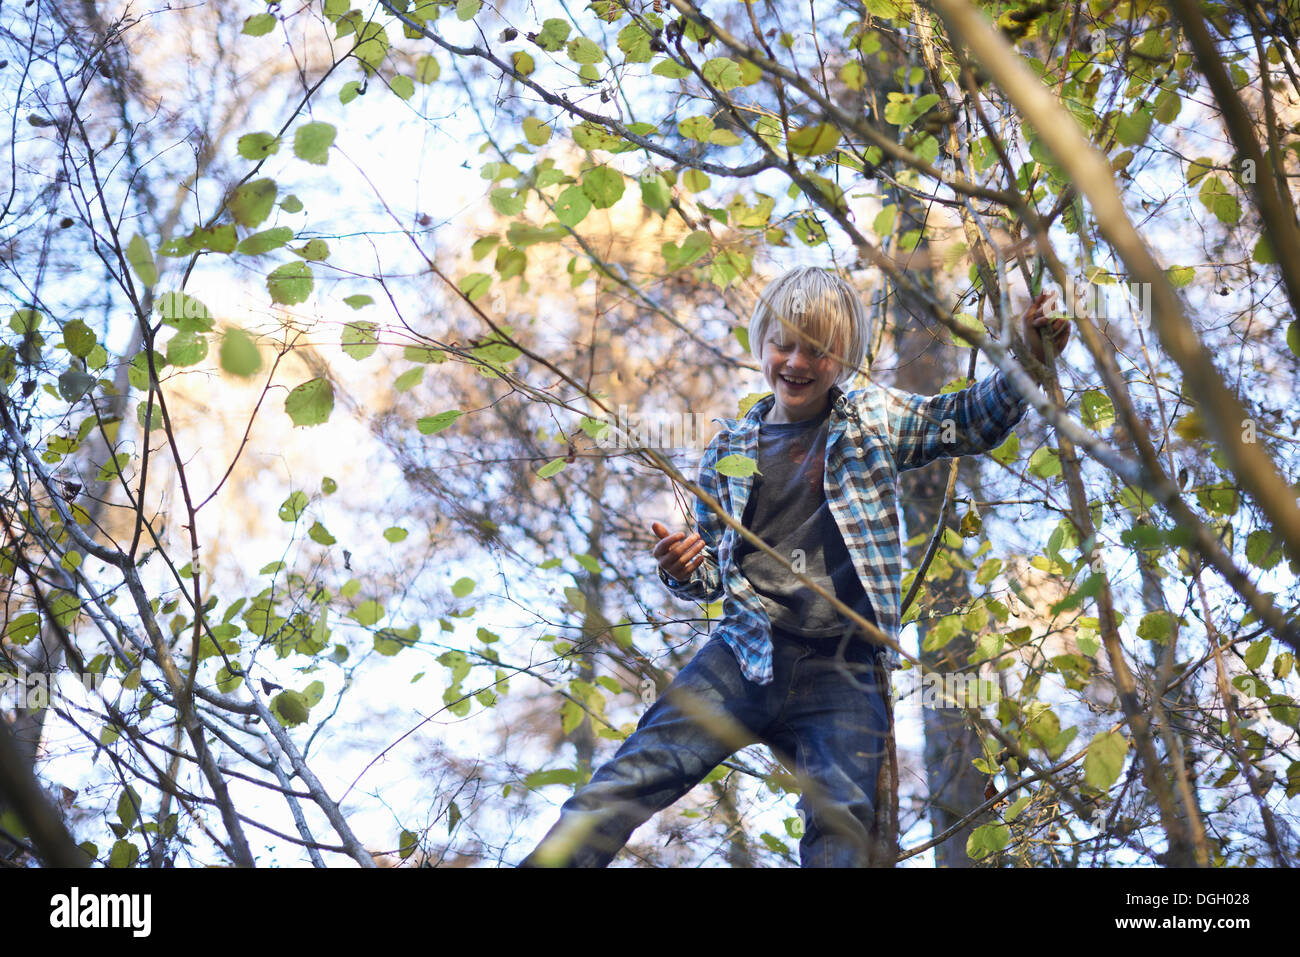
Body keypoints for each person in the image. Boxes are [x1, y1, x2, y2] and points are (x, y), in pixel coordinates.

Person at [519, 266, 1067, 867]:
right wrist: (680, 567)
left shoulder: (871, 422)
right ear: (761, 344)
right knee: (628, 779)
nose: (797, 362)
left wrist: (1027, 358)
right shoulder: (728, 452)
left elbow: (967, 419)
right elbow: (708, 575)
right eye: (783, 344)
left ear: (846, 358)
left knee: (843, 831)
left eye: (819, 350)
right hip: (744, 653)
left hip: (844, 670)